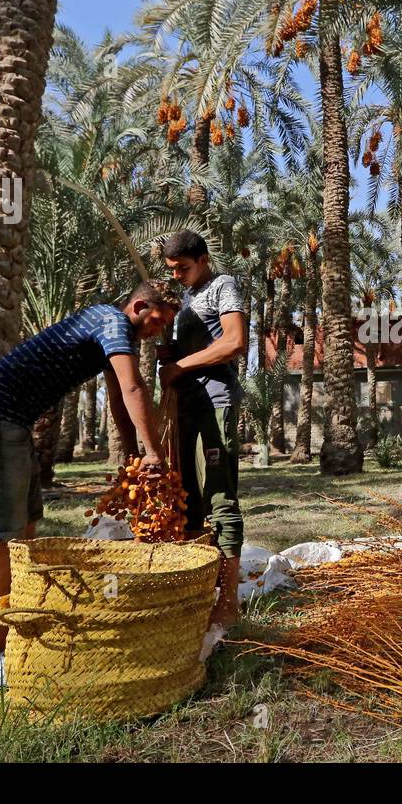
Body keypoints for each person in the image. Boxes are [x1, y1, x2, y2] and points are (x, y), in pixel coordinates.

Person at [0, 281, 179, 655]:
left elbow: (118, 398)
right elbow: (134, 389)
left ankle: (17, 618)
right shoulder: (112, 322)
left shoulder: (107, 327)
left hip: (13, 424)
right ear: (139, 305)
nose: (157, 332)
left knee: (25, 527)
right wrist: (154, 453)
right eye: (157, 321)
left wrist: (132, 455)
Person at [159, 230, 249, 628]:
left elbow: (234, 342)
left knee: (219, 500)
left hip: (215, 404)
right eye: (172, 269)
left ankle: (228, 601)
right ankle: (199, 592)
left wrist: (182, 365)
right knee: (187, 501)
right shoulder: (182, 300)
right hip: (184, 409)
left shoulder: (222, 286)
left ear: (204, 259)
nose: (177, 275)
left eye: (183, 267)